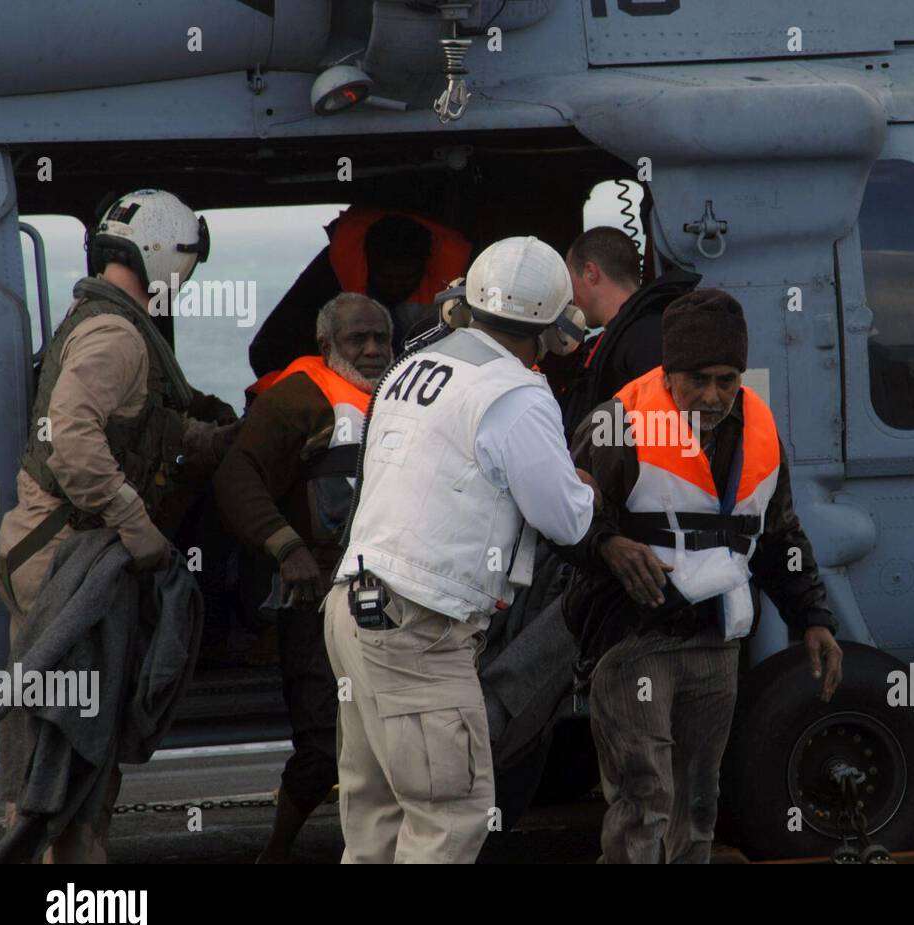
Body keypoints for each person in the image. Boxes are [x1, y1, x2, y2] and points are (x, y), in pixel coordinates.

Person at [323, 236, 598, 863]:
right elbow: (567, 522)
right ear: (553, 329)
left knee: (376, 819)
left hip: (354, 607)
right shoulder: (519, 395)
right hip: (419, 627)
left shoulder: (415, 367)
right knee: (451, 815)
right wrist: (588, 490)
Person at [0, 188, 238, 863]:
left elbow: (128, 425)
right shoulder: (115, 333)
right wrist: (141, 531)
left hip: (64, 552)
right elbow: (74, 441)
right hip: (71, 559)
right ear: (164, 256)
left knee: (75, 746)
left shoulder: (103, 321)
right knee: (69, 752)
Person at [561, 288, 843, 864]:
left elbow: (779, 533)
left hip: (716, 643)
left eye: (727, 379)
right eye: (698, 379)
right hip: (634, 641)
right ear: (669, 371)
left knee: (697, 803)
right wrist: (608, 543)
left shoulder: (758, 428)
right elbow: (559, 516)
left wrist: (813, 617)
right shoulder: (618, 424)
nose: (713, 396)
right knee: (643, 798)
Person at [214, 292, 393, 862]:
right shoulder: (297, 400)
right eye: (355, 340)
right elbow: (236, 475)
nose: (371, 350)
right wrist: (285, 545)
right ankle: (276, 852)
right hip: (313, 596)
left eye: (380, 339)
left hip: (389, 596)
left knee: (391, 738)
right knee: (321, 746)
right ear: (325, 346)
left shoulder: (405, 394)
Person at [247, 206, 471, 377]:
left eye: (405, 278)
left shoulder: (454, 292)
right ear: (366, 264)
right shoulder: (331, 277)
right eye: (385, 276)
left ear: (426, 269)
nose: (395, 285)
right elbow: (266, 351)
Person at [561, 226, 700, 439]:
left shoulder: (646, 337)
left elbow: (662, 434)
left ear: (591, 272)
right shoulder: (628, 335)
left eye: (570, 279)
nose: (569, 295)